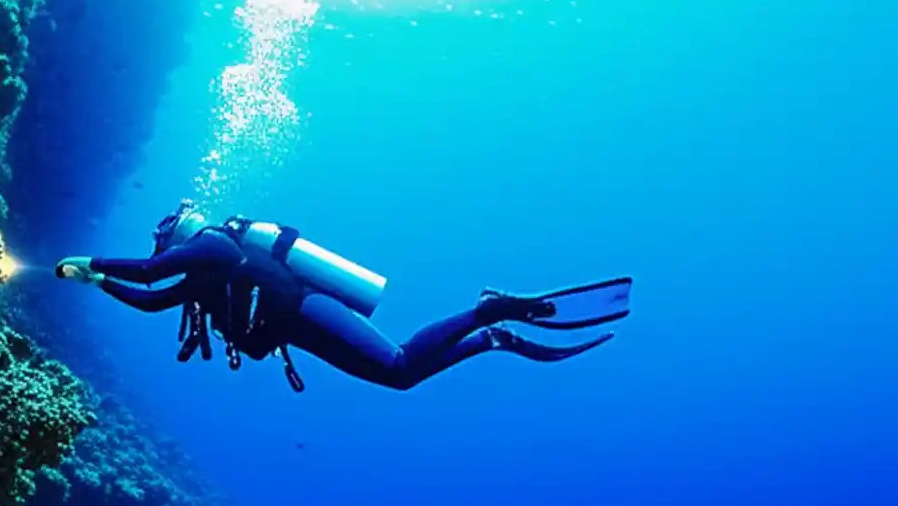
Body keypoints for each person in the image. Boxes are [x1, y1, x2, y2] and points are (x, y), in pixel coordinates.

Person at [55, 199, 632, 392]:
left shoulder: (210, 247)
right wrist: (102, 283)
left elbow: (153, 274)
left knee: (400, 362)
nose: (163, 247)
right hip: (295, 329)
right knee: (400, 377)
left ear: (179, 230)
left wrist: (92, 261)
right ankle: (490, 337)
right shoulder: (202, 279)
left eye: (163, 237)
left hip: (308, 311)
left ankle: (486, 313)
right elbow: (154, 300)